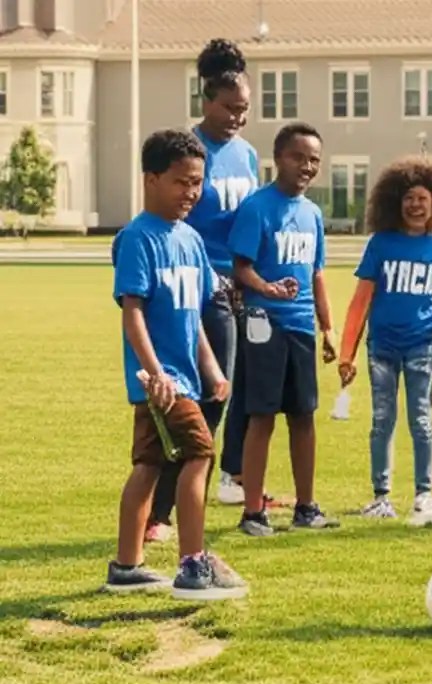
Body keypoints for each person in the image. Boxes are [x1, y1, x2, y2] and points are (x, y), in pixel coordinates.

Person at [104, 127, 247, 599]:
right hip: (162, 381)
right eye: (181, 182)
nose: (192, 192)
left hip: (184, 377)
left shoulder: (190, 239)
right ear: (151, 179)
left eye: (197, 182)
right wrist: (157, 373)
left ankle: (126, 566)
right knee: (200, 453)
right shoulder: (138, 238)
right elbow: (133, 313)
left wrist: (211, 368)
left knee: (148, 464)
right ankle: (192, 565)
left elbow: (194, 318)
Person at [146, 38, 259, 543]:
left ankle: (228, 483)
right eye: (230, 108)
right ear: (206, 100)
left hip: (241, 287)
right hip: (202, 286)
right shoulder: (192, 153)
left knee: (233, 395)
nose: (238, 117)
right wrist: (216, 277)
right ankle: (163, 512)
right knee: (209, 397)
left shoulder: (248, 155)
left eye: (246, 109)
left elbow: (249, 224)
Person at [336, 157, 432, 526]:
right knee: (382, 421)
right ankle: (381, 496)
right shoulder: (381, 243)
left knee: (421, 420)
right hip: (381, 346)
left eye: (422, 198)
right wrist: (346, 354)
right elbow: (360, 300)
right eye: (409, 198)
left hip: (421, 346)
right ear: (395, 202)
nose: (415, 205)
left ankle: (423, 495)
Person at [229, 122, 338, 536]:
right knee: (262, 418)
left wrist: (327, 328)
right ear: (278, 159)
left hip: (301, 328)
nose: (306, 166)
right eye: (299, 157)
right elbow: (241, 267)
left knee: (303, 415)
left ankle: (306, 507)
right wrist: (267, 289)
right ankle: (253, 511)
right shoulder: (257, 207)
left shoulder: (312, 213)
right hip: (264, 325)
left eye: (314, 160)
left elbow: (317, 274)